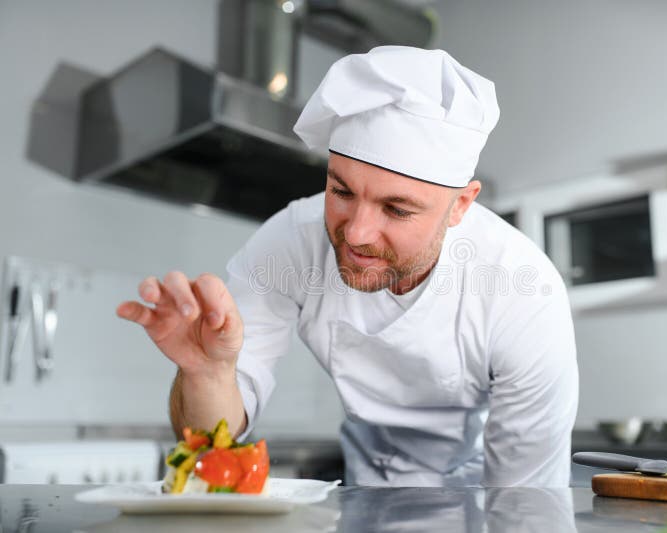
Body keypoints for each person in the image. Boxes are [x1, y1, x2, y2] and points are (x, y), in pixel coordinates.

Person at [117, 46, 579, 487]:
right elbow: (209, 438)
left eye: (396, 210)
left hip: (484, 496)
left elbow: (527, 495)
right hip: (366, 489)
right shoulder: (290, 243)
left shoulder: (522, 292)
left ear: (460, 205)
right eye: (340, 192)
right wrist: (207, 375)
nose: (355, 233)